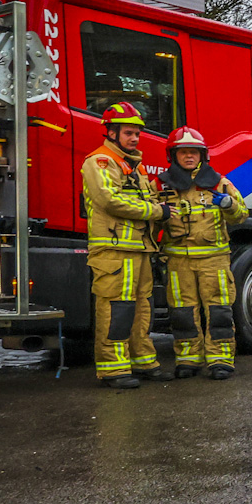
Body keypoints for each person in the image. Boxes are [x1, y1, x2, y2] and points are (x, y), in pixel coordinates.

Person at [83, 101, 168, 388]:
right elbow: (109, 200)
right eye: (128, 133)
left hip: (139, 249)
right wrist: (156, 212)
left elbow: (147, 199)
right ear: (111, 132)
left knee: (142, 307)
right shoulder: (99, 161)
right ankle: (114, 369)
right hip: (113, 250)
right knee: (116, 308)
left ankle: (143, 361)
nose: (134, 139)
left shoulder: (135, 166)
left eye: (137, 134)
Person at [159, 127, 249, 379]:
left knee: (219, 311)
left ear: (203, 155)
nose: (189, 156)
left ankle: (221, 359)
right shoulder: (162, 186)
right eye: (183, 152)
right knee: (182, 313)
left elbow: (242, 215)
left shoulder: (219, 183)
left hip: (214, 261)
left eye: (194, 152)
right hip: (178, 261)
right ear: (173, 156)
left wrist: (229, 205)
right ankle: (188, 359)